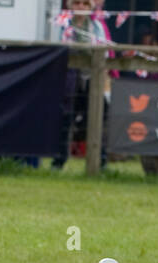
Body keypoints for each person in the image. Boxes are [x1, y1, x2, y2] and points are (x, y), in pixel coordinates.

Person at [53, 0, 111, 170]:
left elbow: (104, 50)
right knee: (64, 120)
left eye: (85, 4)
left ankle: (100, 161)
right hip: (67, 80)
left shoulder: (96, 26)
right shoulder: (61, 24)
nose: (81, 7)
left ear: (90, 7)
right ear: (70, 6)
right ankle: (59, 160)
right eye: (77, 3)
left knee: (97, 118)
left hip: (91, 80)